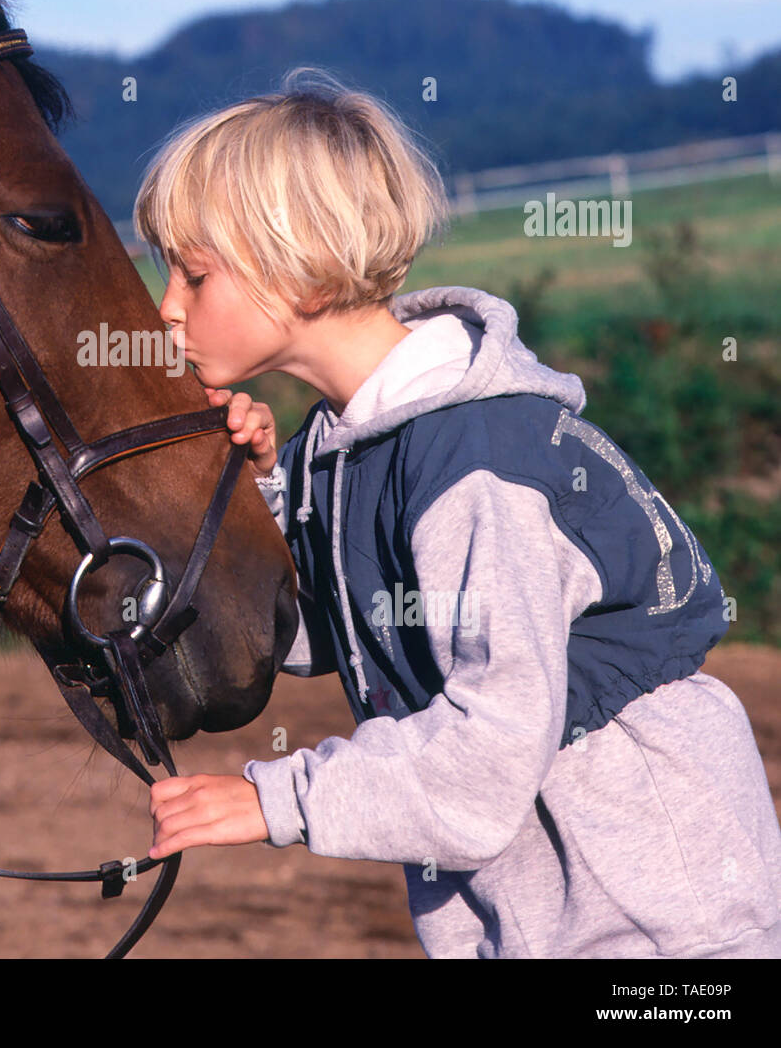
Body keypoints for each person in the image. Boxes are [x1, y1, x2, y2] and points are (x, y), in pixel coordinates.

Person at [135, 67, 781, 958]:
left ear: (303, 274)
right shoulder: (346, 448)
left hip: (663, 937)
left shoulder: (475, 465)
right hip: (538, 924)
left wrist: (272, 800)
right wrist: (255, 499)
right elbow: (307, 635)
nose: (166, 306)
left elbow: (486, 763)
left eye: (193, 274)